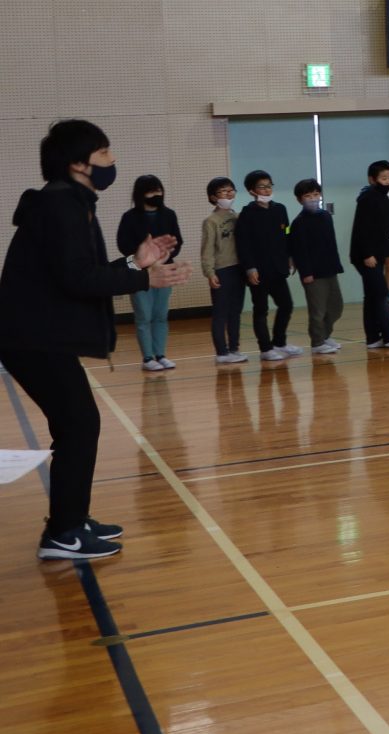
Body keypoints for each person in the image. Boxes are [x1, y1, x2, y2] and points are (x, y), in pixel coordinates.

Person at [0, 119, 189, 560]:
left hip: (36, 335)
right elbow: (77, 279)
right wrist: (143, 278)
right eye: (104, 152)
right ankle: (63, 533)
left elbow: (80, 270)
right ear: (78, 163)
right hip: (32, 336)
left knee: (78, 424)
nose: (112, 159)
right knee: (80, 425)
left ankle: (70, 520)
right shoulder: (62, 205)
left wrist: (134, 261)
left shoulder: (68, 202)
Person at [116, 175, 181, 373]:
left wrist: (165, 256)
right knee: (143, 315)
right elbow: (123, 244)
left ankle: (160, 354)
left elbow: (177, 240)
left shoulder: (169, 214)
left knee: (161, 315)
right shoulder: (129, 217)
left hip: (163, 271)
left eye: (159, 190)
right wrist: (144, 259)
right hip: (140, 274)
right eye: (152, 191)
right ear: (141, 194)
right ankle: (147, 357)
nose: (157, 194)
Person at [237, 169, 297, 363]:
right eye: (261, 187)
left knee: (286, 305)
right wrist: (250, 268)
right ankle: (265, 348)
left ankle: (280, 342)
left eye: (269, 186)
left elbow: (287, 233)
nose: (266, 190)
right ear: (251, 191)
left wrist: (290, 256)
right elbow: (243, 244)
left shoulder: (280, 209)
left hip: (278, 268)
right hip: (258, 271)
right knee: (261, 309)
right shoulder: (247, 214)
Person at [351, 161, 389, 350]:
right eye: (383, 178)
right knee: (381, 294)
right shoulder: (367, 198)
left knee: (372, 296)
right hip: (366, 256)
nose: (388, 181)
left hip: (377, 255)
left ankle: (373, 338)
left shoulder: (385, 198)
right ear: (372, 180)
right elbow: (361, 229)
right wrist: (367, 254)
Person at [289, 180, 344, 355]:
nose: (313, 198)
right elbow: (299, 250)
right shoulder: (299, 223)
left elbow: (331, 243)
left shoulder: (325, 216)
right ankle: (317, 342)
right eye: (308, 196)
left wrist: (336, 265)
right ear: (300, 199)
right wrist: (306, 273)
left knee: (336, 306)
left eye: (315, 194)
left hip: (330, 269)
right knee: (318, 310)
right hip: (313, 274)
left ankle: (326, 335)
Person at [198, 175, 247, 365]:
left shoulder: (237, 217)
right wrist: (210, 273)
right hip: (222, 270)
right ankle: (221, 352)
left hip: (238, 269)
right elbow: (207, 250)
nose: (228, 194)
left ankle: (234, 348)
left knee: (235, 312)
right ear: (213, 197)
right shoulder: (211, 221)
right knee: (221, 313)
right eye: (223, 192)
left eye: (230, 190)